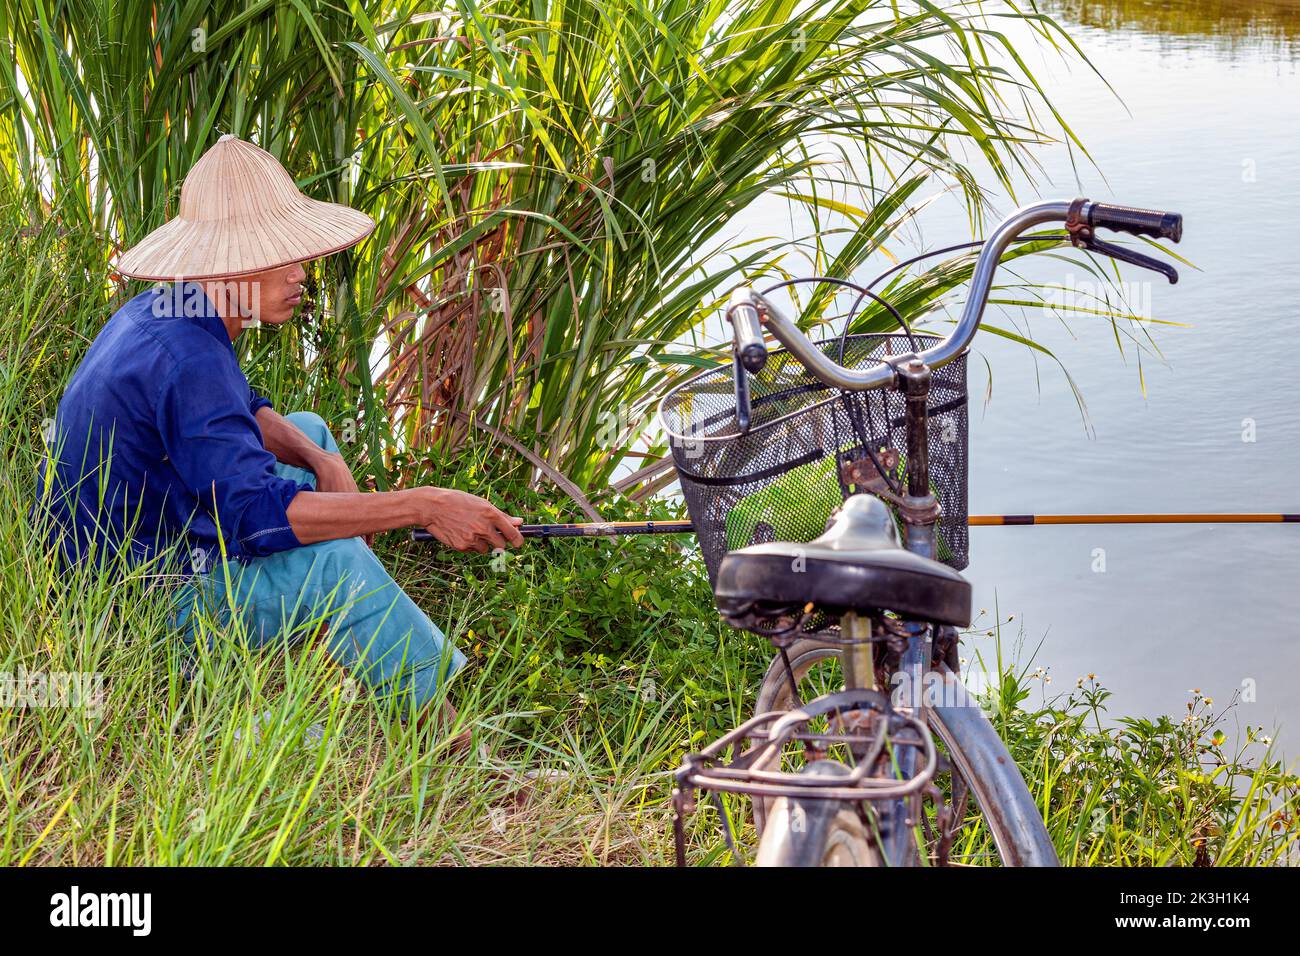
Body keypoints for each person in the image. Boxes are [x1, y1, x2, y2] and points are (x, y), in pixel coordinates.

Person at [36, 135, 523, 743]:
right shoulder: (189, 358)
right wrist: (422, 505)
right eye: (283, 257)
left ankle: (338, 639)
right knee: (338, 565)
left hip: (128, 542)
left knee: (310, 431)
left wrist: (322, 459)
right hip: (136, 601)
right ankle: (457, 750)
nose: (301, 274)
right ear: (231, 261)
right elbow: (257, 519)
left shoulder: (171, 309)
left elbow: (241, 410)